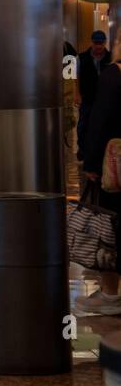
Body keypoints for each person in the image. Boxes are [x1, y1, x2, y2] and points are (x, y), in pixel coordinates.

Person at [79, 51, 121, 316]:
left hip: (115, 169)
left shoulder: (113, 76)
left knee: (111, 229)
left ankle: (109, 295)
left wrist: (91, 164)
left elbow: (99, 121)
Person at [77, 31, 111, 160]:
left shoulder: (111, 57)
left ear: (104, 43)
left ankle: (102, 151)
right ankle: (83, 151)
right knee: (83, 125)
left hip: (105, 99)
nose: (99, 46)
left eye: (101, 43)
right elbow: (77, 77)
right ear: (92, 42)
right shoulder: (81, 57)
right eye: (96, 43)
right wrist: (77, 93)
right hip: (87, 97)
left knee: (103, 125)